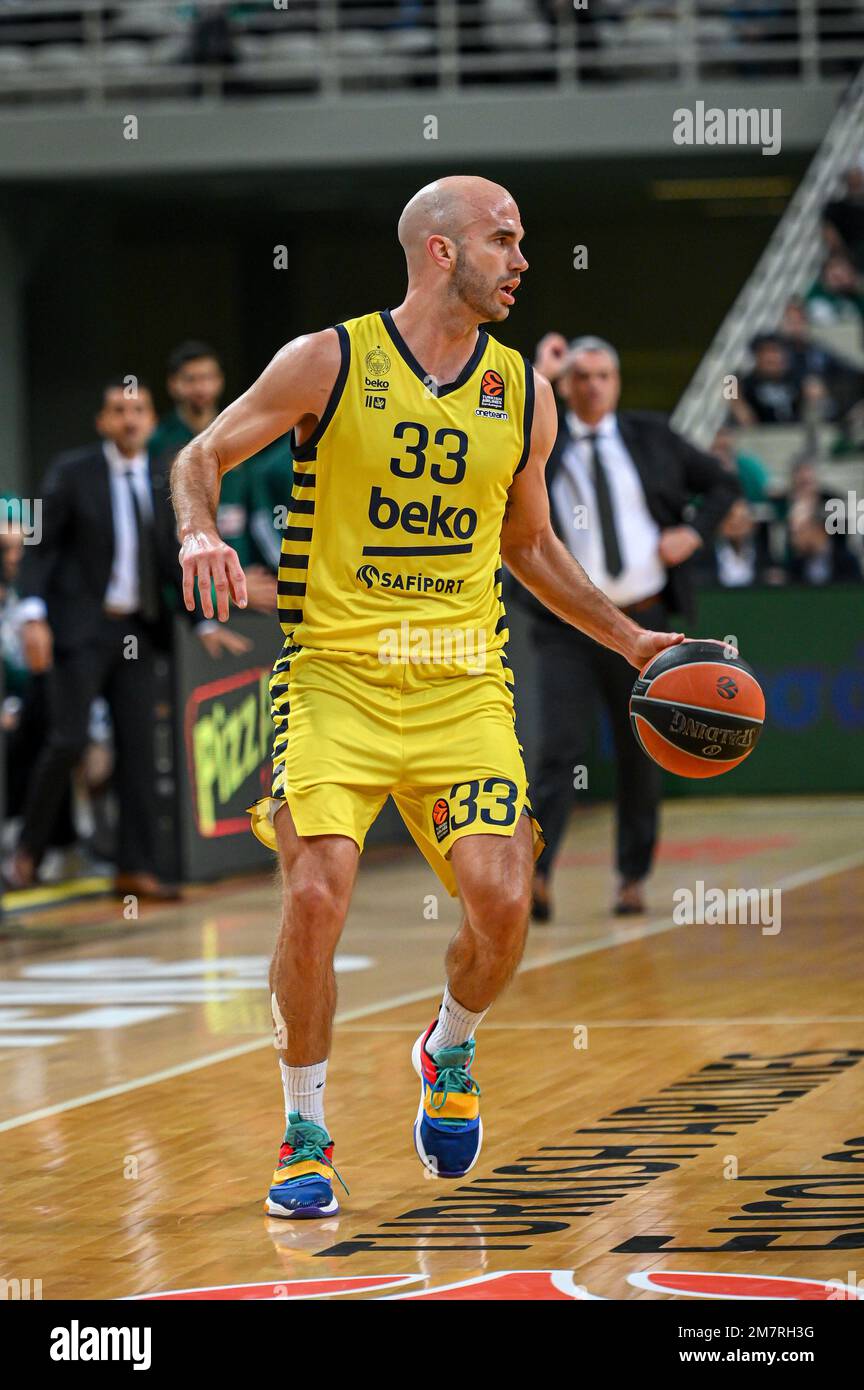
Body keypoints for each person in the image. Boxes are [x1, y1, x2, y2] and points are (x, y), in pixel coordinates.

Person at [171, 175, 685, 1219]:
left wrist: (631, 638)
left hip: (462, 684)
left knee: (503, 900)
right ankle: (304, 1133)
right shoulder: (328, 360)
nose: (523, 260)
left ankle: (449, 1047)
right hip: (334, 677)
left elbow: (529, 545)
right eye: (505, 239)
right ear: (442, 252)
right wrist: (197, 530)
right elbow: (200, 454)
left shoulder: (521, 391)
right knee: (314, 895)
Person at [516, 336, 739, 921]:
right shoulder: (545, 439)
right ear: (565, 387)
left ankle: (632, 878)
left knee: (644, 748)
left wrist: (693, 533)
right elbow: (507, 452)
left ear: (616, 383)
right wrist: (540, 380)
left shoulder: (650, 435)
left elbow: (723, 484)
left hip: (643, 620)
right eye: (580, 377)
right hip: (565, 624)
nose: (592, 386)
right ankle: (536, 875)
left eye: (603, 376)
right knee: (558, 749)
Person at [4, 379, 243, 897]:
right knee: (67, 739)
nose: (129, 419)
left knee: (138, 750)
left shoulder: (162, 476)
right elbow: (40, 546)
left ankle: (135, 868)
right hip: (80, 630)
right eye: (118, 410)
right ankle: (26, 854)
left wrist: (202, 621)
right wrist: (33, 613)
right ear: (103, 421)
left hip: (135, 632)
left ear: (152, 422)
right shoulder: (72, 472)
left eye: (138, 411)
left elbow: (169, 559)